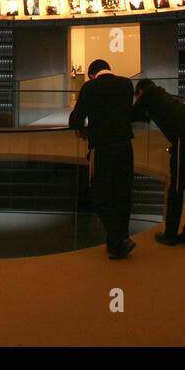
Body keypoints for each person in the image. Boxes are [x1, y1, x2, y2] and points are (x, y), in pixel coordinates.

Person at [68, 58, 139, 259]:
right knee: (123, 193)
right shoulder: (126, 84)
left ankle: (116, 240)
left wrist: (87, 127)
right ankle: (119, 241)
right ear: (109, 69)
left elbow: (75, 120)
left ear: (92, 74)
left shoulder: (90, 88)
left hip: (102, 147)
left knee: (101, 195)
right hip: (125, 145)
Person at [133, 79, 185, 245]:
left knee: (176, 189)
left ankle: (170, 234)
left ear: (140, 93)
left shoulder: (149, 95)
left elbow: (132, 114)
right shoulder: (163, 96)